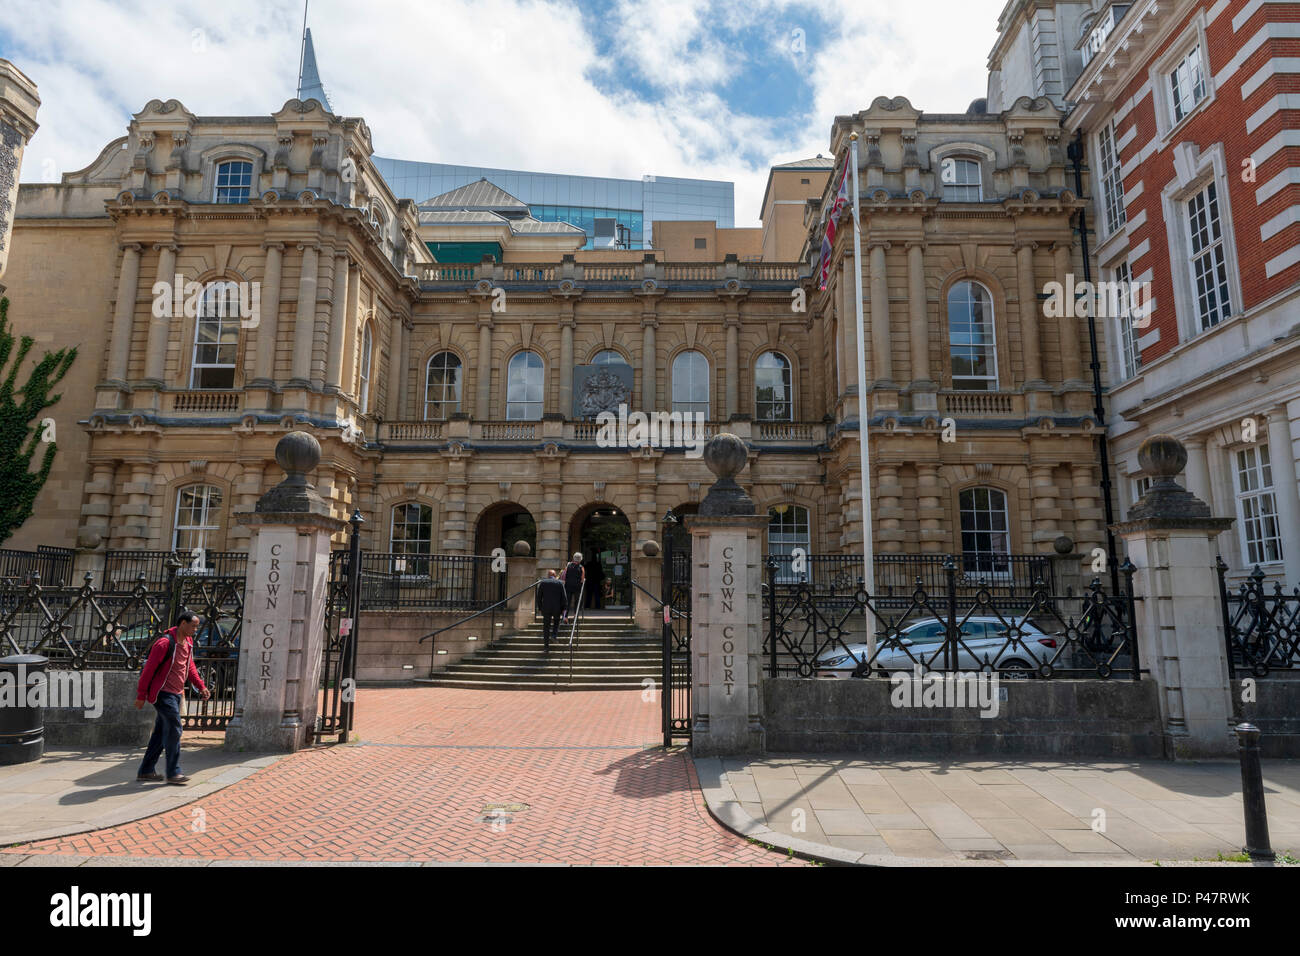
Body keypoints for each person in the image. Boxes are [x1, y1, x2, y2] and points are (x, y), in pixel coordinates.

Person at [134, 610, 210, 785]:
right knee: (175, 729)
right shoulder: (164, 643)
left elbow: (189, 666)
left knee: (161, 733)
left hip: (176, 693)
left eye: (197, 627)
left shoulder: (188, 642)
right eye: (193, 626)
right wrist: (141, 695)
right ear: (183, 623)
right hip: (162, 694)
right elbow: (148, 671)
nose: (195, 630)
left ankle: (146, 771)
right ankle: (173, 772)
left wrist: (201, 686)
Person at [537, 570, 567, 653]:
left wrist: (540, 608)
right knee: (556, 622)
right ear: (554, 575)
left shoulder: (543, 582)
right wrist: (564, 608)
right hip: (557, 608)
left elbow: (539, 597)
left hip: (546, 608)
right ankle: (554, 635)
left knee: (546, 627)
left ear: (548, 575)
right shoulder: (559, 583)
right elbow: (564, 597)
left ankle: (546, 647)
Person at [563, 552, 585, 619]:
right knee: (577, 601)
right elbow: (582, 579)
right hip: (577, 587)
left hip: (568, 586)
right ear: (580, 559)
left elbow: (564, 575)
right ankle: (576, 615)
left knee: (567, 602)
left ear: (573, 558)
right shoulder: (581, 568)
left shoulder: (568, 565)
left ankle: (565, 617)